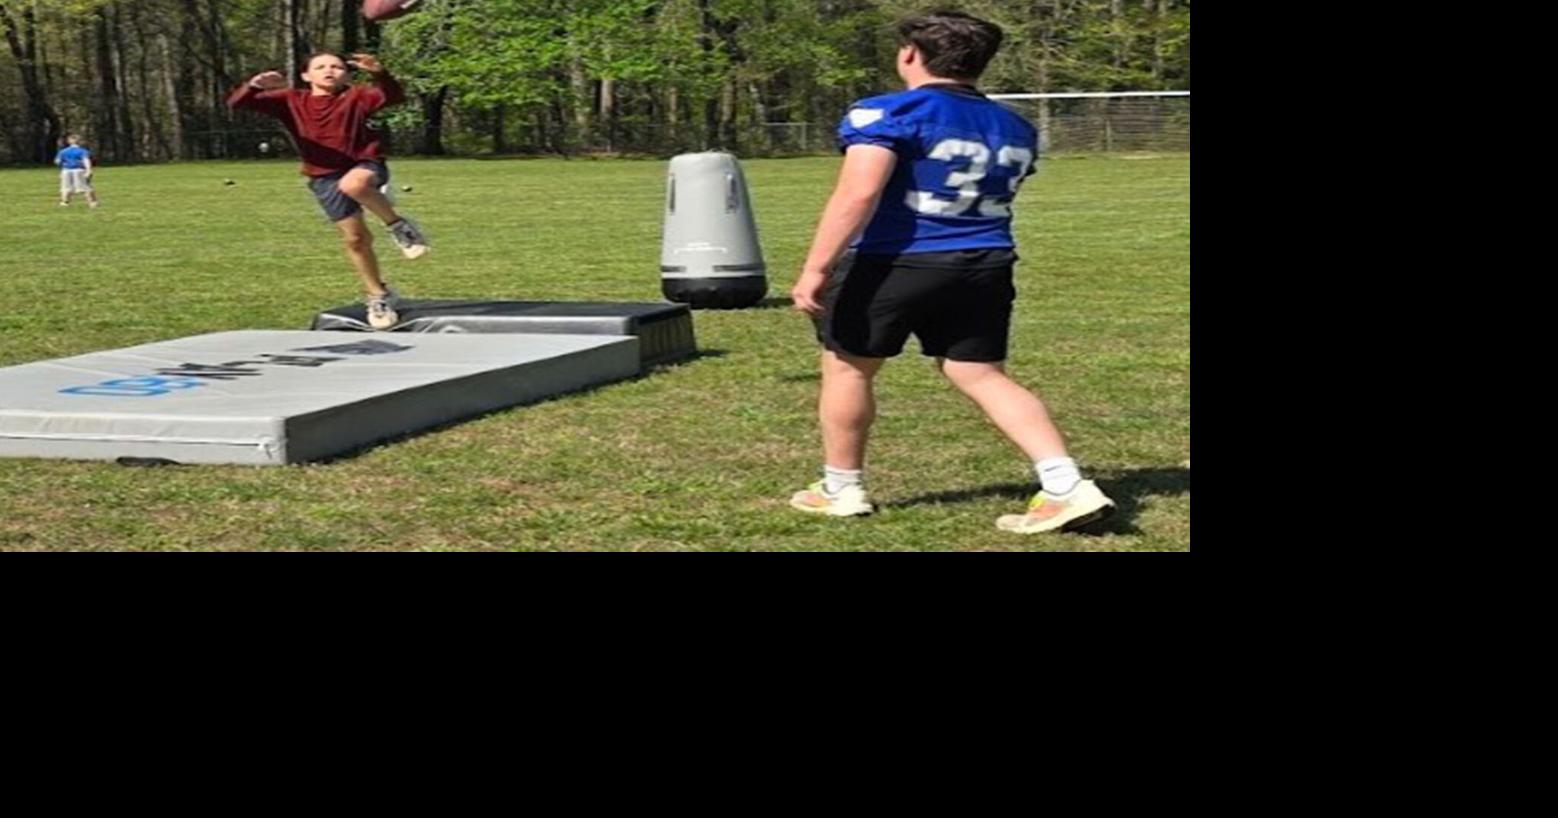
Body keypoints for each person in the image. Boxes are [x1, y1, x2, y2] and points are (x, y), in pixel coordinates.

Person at [786, 10, 1115, 534]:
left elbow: (860, 192)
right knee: (979, 372)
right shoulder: (1015, 124)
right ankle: (1064, 483)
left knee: (849, 367)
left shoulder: (887, 112)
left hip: (895, 260)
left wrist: (814, 268)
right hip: (984, 259)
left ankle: (840, 487)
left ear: (910, 55)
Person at [227, 51, 429, 329]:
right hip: (323, 176)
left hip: (363, 163)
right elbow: (237, 103)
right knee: (355, 240)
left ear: (346, 74)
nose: (329, 71)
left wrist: (379, 73)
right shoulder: (291, 100)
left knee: (353, 184)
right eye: (320, 67)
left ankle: (399, 226)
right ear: (306, 76)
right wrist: (255, 85)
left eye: (336, 66)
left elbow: (393, 96)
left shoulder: (357, 96)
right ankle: (378, 294)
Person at [54, 134, 100, 209]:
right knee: (85, 187)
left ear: (69, 142)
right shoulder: (83, 151)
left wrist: (64, 165)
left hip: (66, 170)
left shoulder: (63, 151)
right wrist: (88, 170)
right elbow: (86, 160)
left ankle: (64, 202)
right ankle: (92, 203)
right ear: (80, 142)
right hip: (79, 170)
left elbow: (57, 162)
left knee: (65, 187)